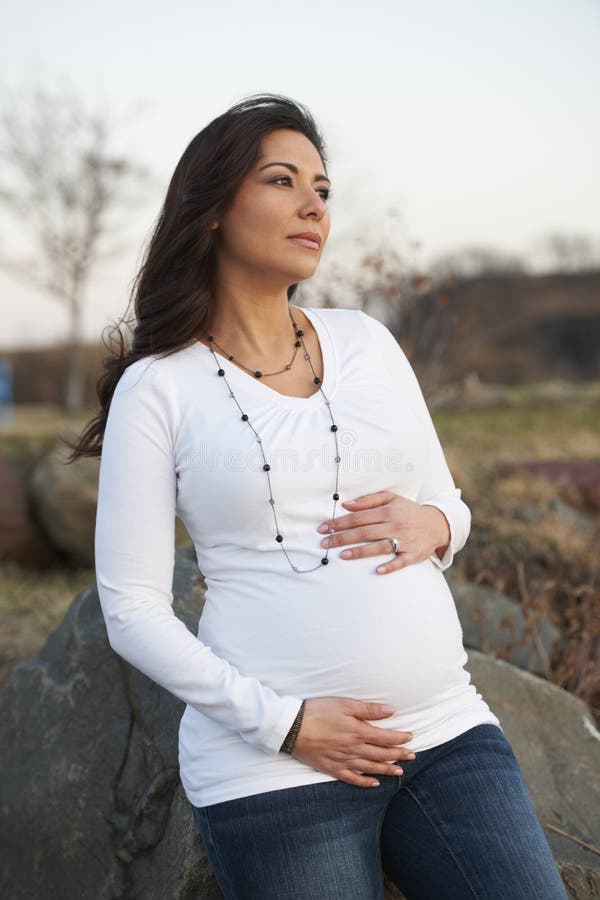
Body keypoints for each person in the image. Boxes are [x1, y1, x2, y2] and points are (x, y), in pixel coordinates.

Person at [67, 93, 568, 899]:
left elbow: (449, 501)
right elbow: (129, 609)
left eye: (324, 189)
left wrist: (438, 520)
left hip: (445, 730)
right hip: (276, 771)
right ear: (213, 209)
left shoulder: (367, 342)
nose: (314, 206)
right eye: (281, 180)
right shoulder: (159, 389)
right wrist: (288, 725)